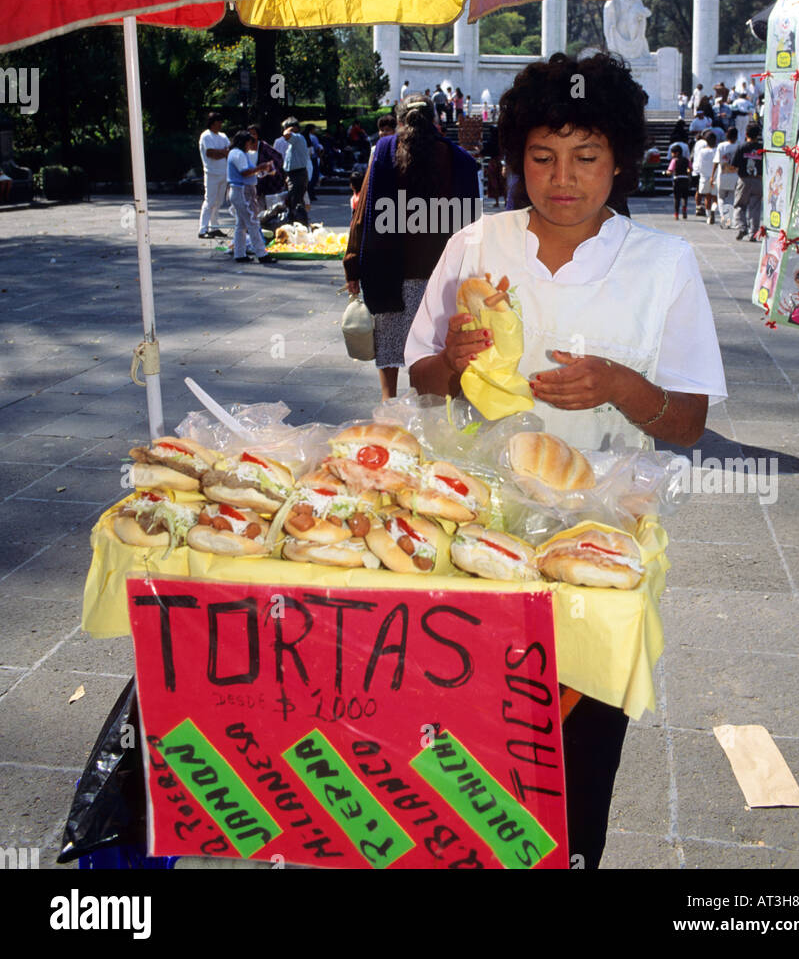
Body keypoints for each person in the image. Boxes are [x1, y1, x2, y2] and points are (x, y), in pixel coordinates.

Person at [404, 51, 726, 870]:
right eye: (542, 157)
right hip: (475, 528)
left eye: (587, 157)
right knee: (459, 747)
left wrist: (623, 386)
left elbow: (686, 424)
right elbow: (422, 379)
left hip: (598, 540)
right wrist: (451, 356)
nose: (563, 179)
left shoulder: (664, 266)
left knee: (574, 763)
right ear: (515, 159)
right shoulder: (477, 244)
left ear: (620, 158)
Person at [344, 94, 480, 401]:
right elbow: (472, 224)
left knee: (391, 347)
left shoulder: (383, 151)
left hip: (392, 271)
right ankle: (431, 405)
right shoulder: (461, 160)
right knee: (436, 348)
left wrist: (353, 262)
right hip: (442, 273)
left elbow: (364, 211)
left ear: (400, 120)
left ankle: (389, 405)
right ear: (435, 120)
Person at [226, 130, 273, 262]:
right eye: (248, 143)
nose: (250, 146)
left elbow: (251, 172)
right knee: (253, 222)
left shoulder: (239, 154)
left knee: (241, 225)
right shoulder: (238, 154)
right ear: (243, 142)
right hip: (242, 191)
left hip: (242, 190)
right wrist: (261, 167)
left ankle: (239, 253)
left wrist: (263, 170)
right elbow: (245, 172)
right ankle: (262, 254)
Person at [197, 111, 231, 238]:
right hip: (211, 173)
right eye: (218, 122)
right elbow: (211, 154)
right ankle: (202, 229)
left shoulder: (223, 136)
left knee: (218, 202)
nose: (220, 125)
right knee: (209, 201)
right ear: (212, 123)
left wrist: (222, 152)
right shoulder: (206, 136)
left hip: (223, 173)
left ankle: (214, 227)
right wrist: (223, 152)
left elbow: (230, 151)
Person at [274, 118, 311, 226]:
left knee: (295, 203)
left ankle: (300, 225)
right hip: (293, 174)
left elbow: (286, 135)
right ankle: (297, 224)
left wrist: (289, 128)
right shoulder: (294, 142)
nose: (284, 130)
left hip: (298, 174)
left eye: (286, 128)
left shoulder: (297, 138)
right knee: (293, 202)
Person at [733, 122, 764, 240]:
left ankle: (741, 227)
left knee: (740, 205)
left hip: (744, 179)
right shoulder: (762, 149)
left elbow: (734, 165)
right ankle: (753, 233)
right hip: (758, 180)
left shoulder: (741, 147)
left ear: (746, 134)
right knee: (755, 207)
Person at [247, 124, 284, 214]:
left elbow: (278, 159)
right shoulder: (245, 147)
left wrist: (268, 169)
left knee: (267, 209)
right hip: (251, 181)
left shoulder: (264, 147)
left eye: (254, 134)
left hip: (267, 182)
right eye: (250, 134)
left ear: (258, 135)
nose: (252, 136)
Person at [711, 127, 739, 227]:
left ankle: (723, 216)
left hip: (722, 175)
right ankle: (728, 219)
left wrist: (712, 176)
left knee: (721, 197)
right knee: (731, 198)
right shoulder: (738, 146)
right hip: (735, 175)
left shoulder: (721, 146)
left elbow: (716, 161)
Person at [692, 131, 718, 222]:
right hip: (715, 177)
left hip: (704, 177)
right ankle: (714, 211)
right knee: (715, 198)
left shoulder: (702, 151)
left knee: (707, 197)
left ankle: (708, 215)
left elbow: (699, 164)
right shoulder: (717, 150)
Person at [666, 141, 690, 220]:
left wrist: (667, 172)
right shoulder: (686, 160)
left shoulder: (674, 161)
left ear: (676, 153)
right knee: (685, 197)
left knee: (677, 198)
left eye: (672, 153)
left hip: (677, 180)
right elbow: (690, 169)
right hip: (685, 179)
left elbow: (670, 171)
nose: (671, 155)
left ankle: (676, 214)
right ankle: (684, 210)